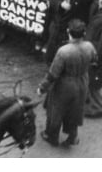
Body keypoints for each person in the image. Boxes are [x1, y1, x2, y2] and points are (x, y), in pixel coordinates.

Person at [39, 19, 97, 148]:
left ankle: (51, 136)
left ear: (68, 32)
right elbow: (94, 61)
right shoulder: (89, 46)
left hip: (64, 85)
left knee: (56, 111)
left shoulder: (63, 51)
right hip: (82, 82)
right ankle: (72, 137)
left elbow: (53, 74)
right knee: (75, 110)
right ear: (84, 33)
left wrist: (42, 88)